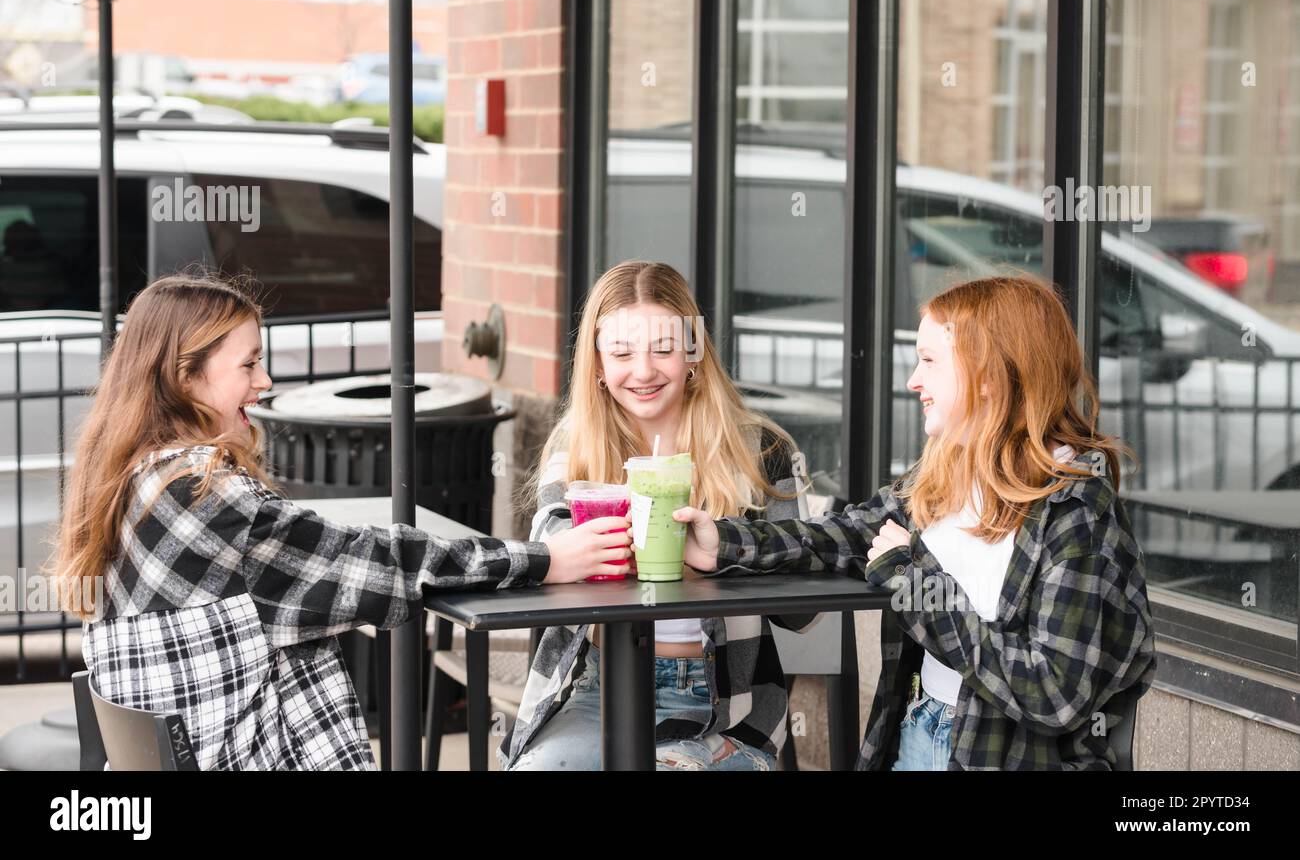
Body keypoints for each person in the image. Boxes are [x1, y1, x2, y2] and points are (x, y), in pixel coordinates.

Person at [49, 270, 630, 770]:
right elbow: (378, 564)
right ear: (183, 377)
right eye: (248, 364)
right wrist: (546, 559)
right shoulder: (204, 494)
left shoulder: (133, 478)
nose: (265, 381)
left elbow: (319, 561)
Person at [673, 274, 1156, 770]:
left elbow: (1053, 692)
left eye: (929, 361)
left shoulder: (1076, 508)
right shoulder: (947, 473)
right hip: (918, 726)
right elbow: (846, 534)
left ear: (989, 373)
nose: (913, 381)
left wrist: (912, 582)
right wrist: (722, 544)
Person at [501, 260, 818, 771]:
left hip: (725, 706)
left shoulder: (760, 450)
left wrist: (724, 552)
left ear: (692, 354)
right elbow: (550, 547)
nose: (643, 371)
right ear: (598, 365)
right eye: (622, 352)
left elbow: (803, 610)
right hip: (598, 689)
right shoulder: (575, 445)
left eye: (663, 350)